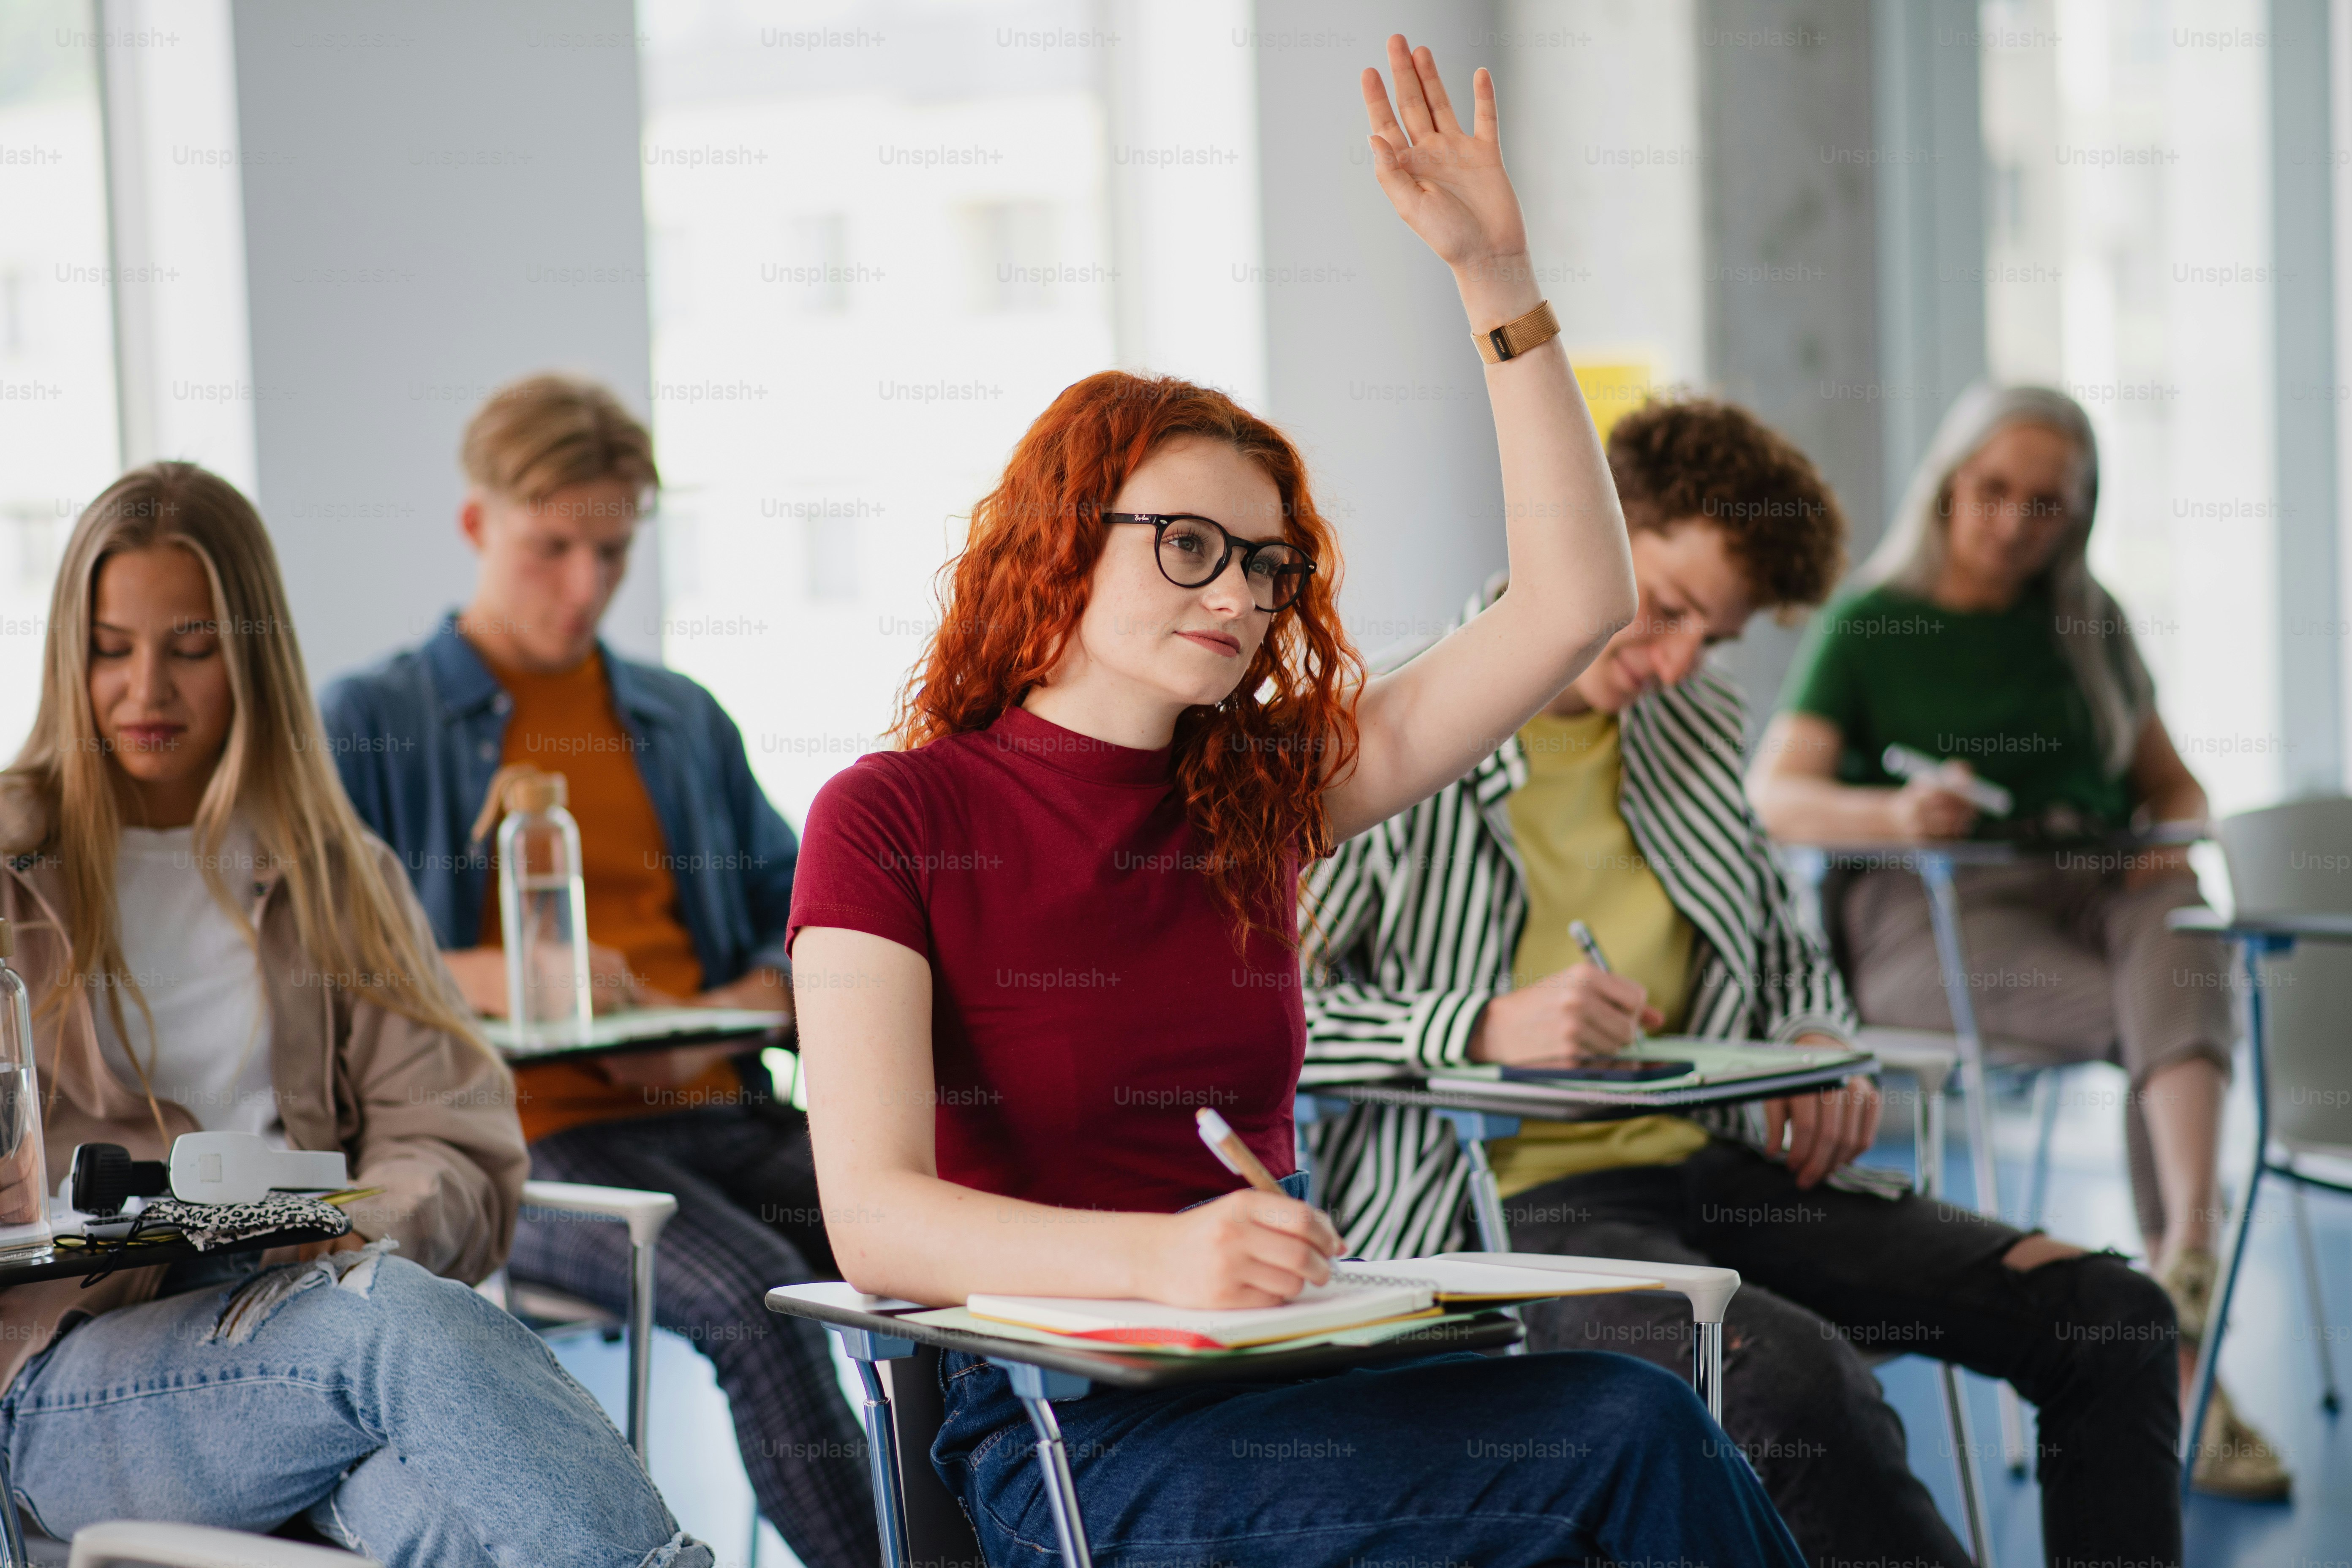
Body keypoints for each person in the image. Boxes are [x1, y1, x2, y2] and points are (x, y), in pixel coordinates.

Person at [787, 38, 1805, 1567]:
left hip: (1307, 1365)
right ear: (1064, 541)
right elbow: (874, 1217)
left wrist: (1495, 277)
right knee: (1625, 1442)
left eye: (1267, 565)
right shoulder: (886, 819)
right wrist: (1172, 1261)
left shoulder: (1260, 795)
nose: (1240, 592)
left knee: (1617, 1413)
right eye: (1187, 543)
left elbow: (1575, 596)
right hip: (1078, 1427)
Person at [1300, 394, 2182, 1565]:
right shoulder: (1388, 731)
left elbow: (1785, 951)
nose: (1673, 664)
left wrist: (1820, 1041)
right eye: (1659, 611)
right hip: (1507, 1214)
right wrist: (1483, 1025)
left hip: (1724, 1172)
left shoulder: (1697, 727)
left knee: (2115, 1317)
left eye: (1709, 638)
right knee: (1800, 1386)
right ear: (1579, 540)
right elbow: (1270, 1024)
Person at [0, 463, 709, 1568]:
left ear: (253, 660)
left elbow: (451, 1137)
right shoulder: (9, 872)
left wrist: (364, 1229)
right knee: (398, 1329)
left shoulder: (339, 874)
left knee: (446, 1519)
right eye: (109, 647)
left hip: (317, 1311)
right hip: (71, 1378)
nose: (146, 688)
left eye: (190, 649)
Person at [319, 375, 875, 1566]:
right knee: (755, 1297)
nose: (585, 586)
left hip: (721, 1107)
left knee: (935, 1236)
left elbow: (821, 930)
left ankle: (1007, 1531)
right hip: (534, 1146)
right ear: (476, 526)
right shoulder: (374, 719)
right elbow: (315, 958)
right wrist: (490, 971)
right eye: (551, 547)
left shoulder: (680, 719)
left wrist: (721, 1017)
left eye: (613, 553)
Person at [1745, 382, 2287, 1500]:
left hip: (2091, 898)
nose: (2013, 523)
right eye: (1994, 491)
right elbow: (1777, 796)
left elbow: (2174, 787)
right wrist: (1894, 817)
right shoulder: (1870, 622)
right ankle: (2192, 1363)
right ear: (1949, 485)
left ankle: (2186, 1249)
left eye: (2048, 504)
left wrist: (2168, 834)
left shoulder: (2089, 624)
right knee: (2171, 1023)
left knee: (2176, 907)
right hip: (1935, 919)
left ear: (2079, 516)